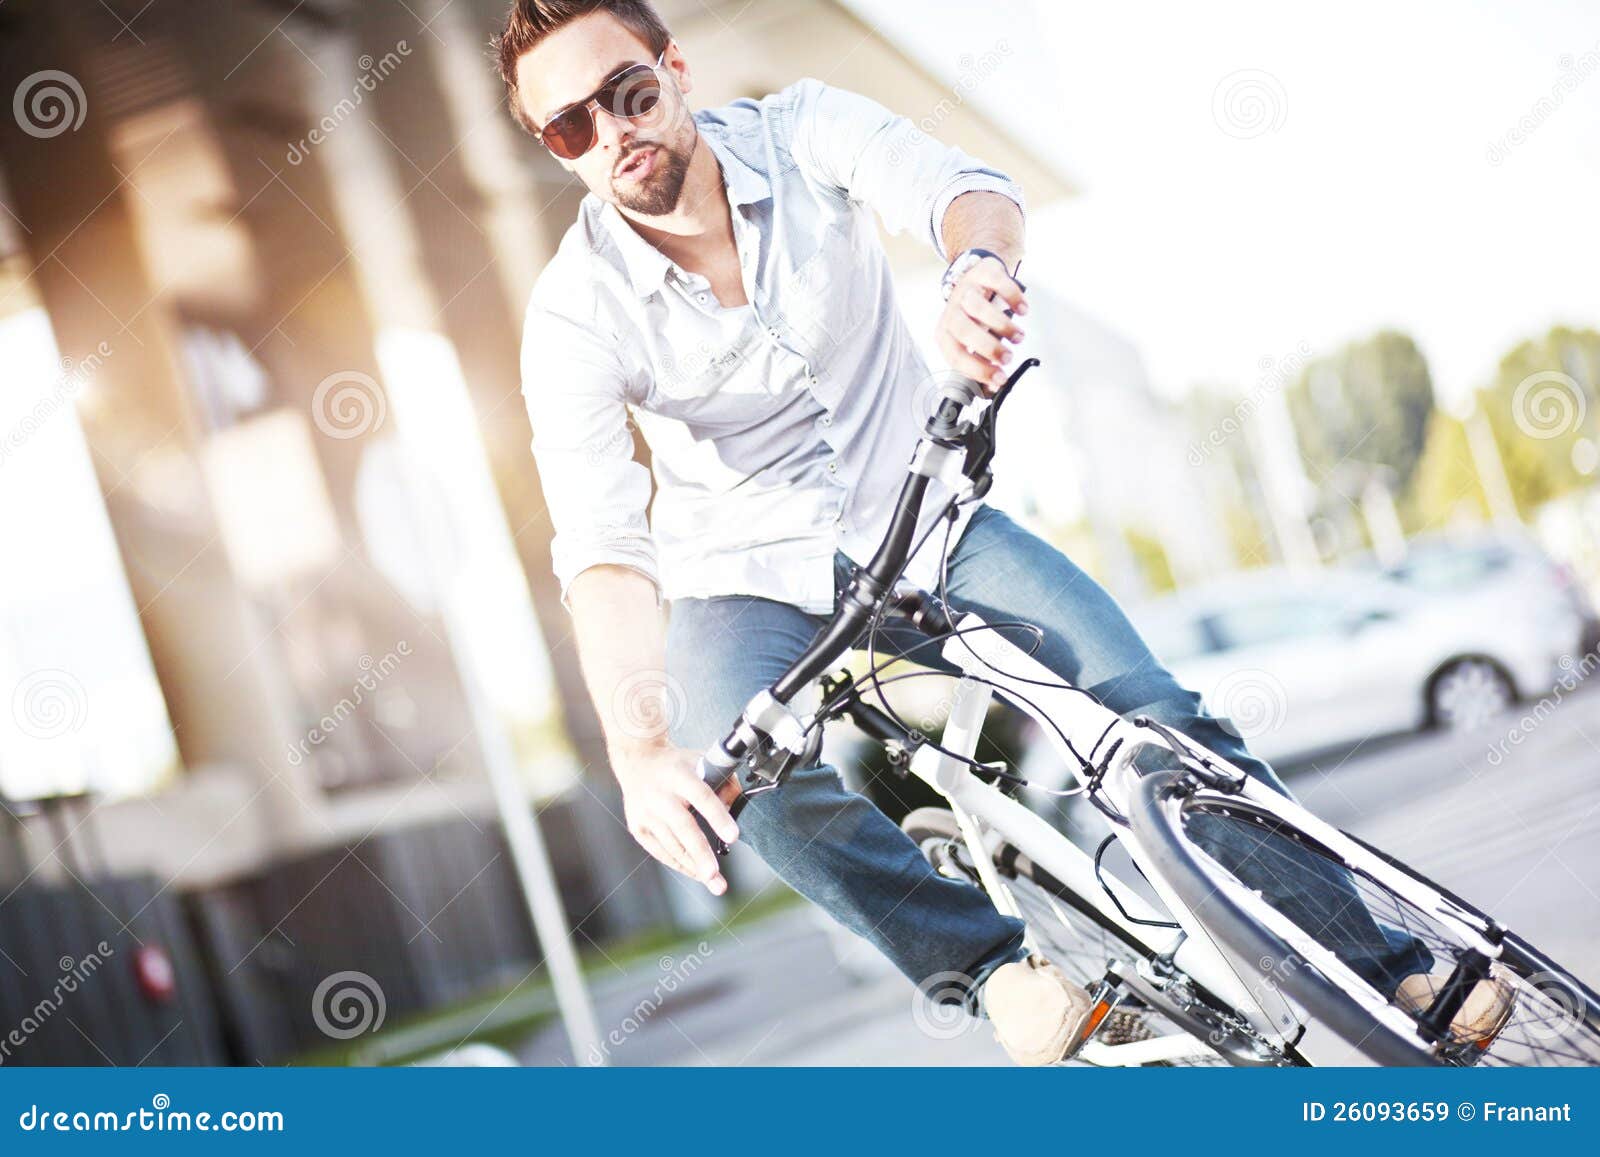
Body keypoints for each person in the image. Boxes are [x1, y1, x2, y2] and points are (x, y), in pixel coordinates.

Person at [497, 0, 1510, 1064]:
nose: (614, 134)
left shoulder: (800, 130)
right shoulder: (574, 314)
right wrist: (637, 746)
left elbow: (963, 190)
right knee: (732, 785)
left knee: (1152, 715)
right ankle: (992, 971)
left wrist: (976, 268)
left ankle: (1380, 960)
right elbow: (602, 545)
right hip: (745, 577)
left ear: (676, 69)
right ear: (552, 149)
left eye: (630, 94)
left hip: (923, 519)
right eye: (571, 127)